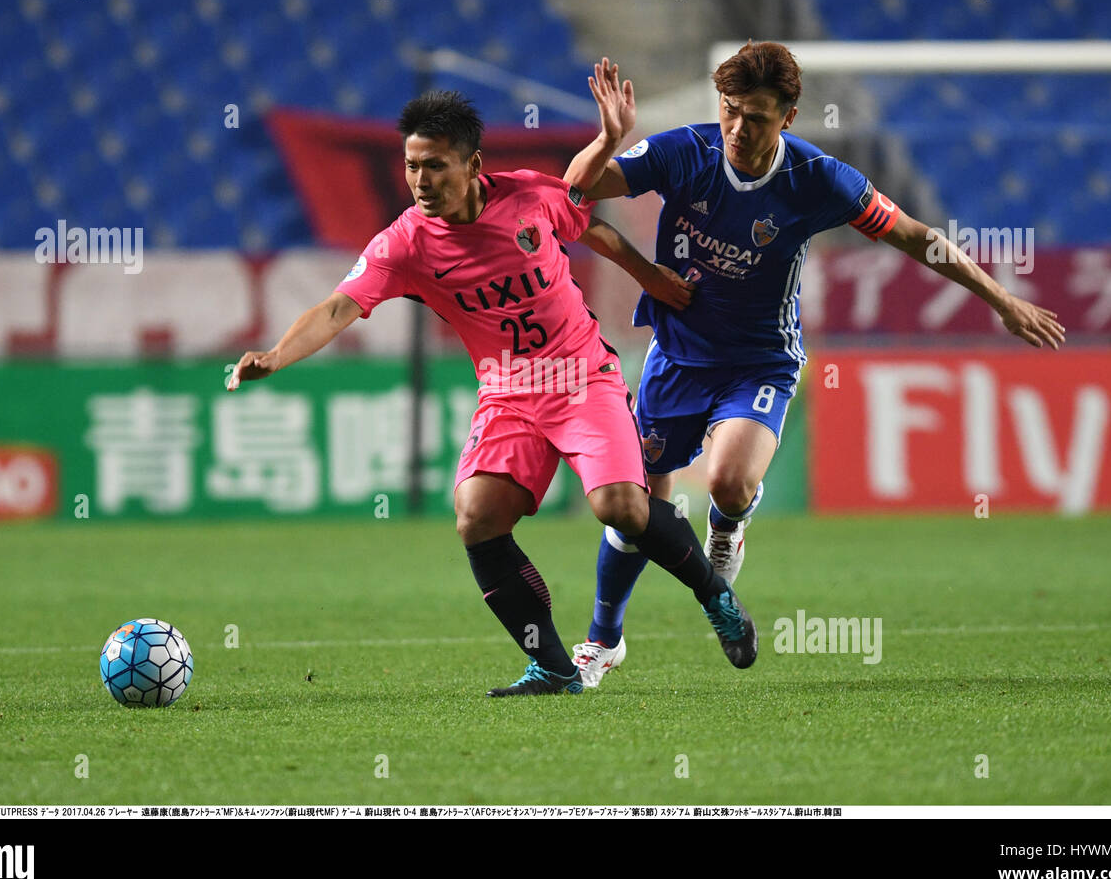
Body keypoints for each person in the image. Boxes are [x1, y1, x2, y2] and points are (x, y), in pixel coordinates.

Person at [228, 88, 759, 697]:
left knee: (623, 509)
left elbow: (594, 228)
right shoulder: (405, 242)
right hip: (508, 393)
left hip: (580, 374)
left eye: (435, 165)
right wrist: (275, 357)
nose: (420, 180)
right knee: (477, 517)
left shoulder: (531, 196)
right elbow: (340, 305)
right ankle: (555, 666)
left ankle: (715, 595)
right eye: (411, 166)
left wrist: (650, 278)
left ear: (474, 164)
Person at [563, 45, 1066, 687]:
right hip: (677, 355)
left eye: (759, 119)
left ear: (790, 118)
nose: (740, 130)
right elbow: (578, 192)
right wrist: (611, 141)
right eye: (732, 112)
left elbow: (913, 234)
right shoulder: (684, 151)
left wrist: (999, 297)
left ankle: (730, 527)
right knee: (635, 511)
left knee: (727, 483)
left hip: (760, 362)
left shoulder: (818, 179)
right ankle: (604, 641)